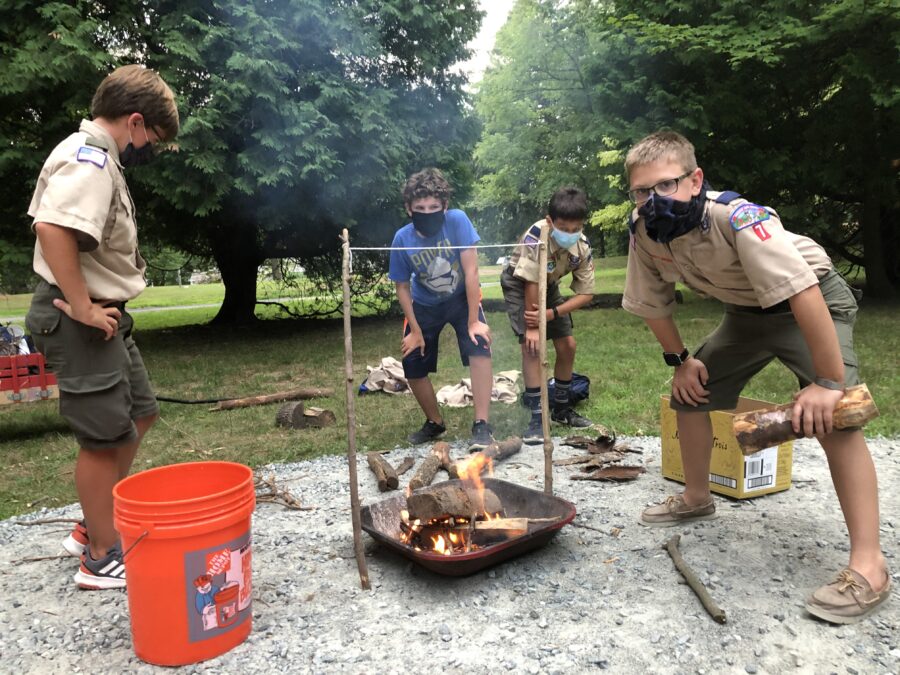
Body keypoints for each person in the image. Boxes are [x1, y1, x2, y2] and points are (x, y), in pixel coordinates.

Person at [622, 130, 890, 623]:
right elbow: (651, 303)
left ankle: (870, 567)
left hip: (809, 304)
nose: (651, 201)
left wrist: (828, 383)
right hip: (746, 313)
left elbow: (803, 291)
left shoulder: (741, 218)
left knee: (837, 417)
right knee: (690, 397)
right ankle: (696, 498)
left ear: (695, 179)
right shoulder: (643, 231)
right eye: (641, 191)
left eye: (665, 186)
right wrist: (682, 360)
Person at [25, 65, 179, 589]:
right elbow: (51, 229)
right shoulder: (89, 160)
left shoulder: (97, 157)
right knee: (102, 438)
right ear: (135, 122)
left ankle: (94, 521)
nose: (150, 151)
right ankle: (101, 555)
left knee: (141, 414)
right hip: (79, 317)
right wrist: (83, 307)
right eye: (152, 140)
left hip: (104, 315)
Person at [388, 168, 494, 449]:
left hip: (461, 298)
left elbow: (471, 272)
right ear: (409, 209)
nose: (427, 211)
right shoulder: (402, 239)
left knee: (479, 344)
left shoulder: (457, 221)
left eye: (434, 207)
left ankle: (482, 423)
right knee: (412, 362)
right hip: (424, 303)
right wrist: (415, 330)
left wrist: (474, 320)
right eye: (420, 207)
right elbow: (402, 287)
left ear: (444, 206)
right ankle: (435, 422)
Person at [500, 187, 596, 444]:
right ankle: (536, 416)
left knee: (567, 345)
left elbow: (586, 294)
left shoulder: (583, 246)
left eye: (575, 228)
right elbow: (531, 282)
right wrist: (533, 327)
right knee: (533, 348)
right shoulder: (536, 235)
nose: (569, 233)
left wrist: (552, 313)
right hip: (519, 284)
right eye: (563, 227)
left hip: (549, 286)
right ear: (550, 220)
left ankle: (562, 410)